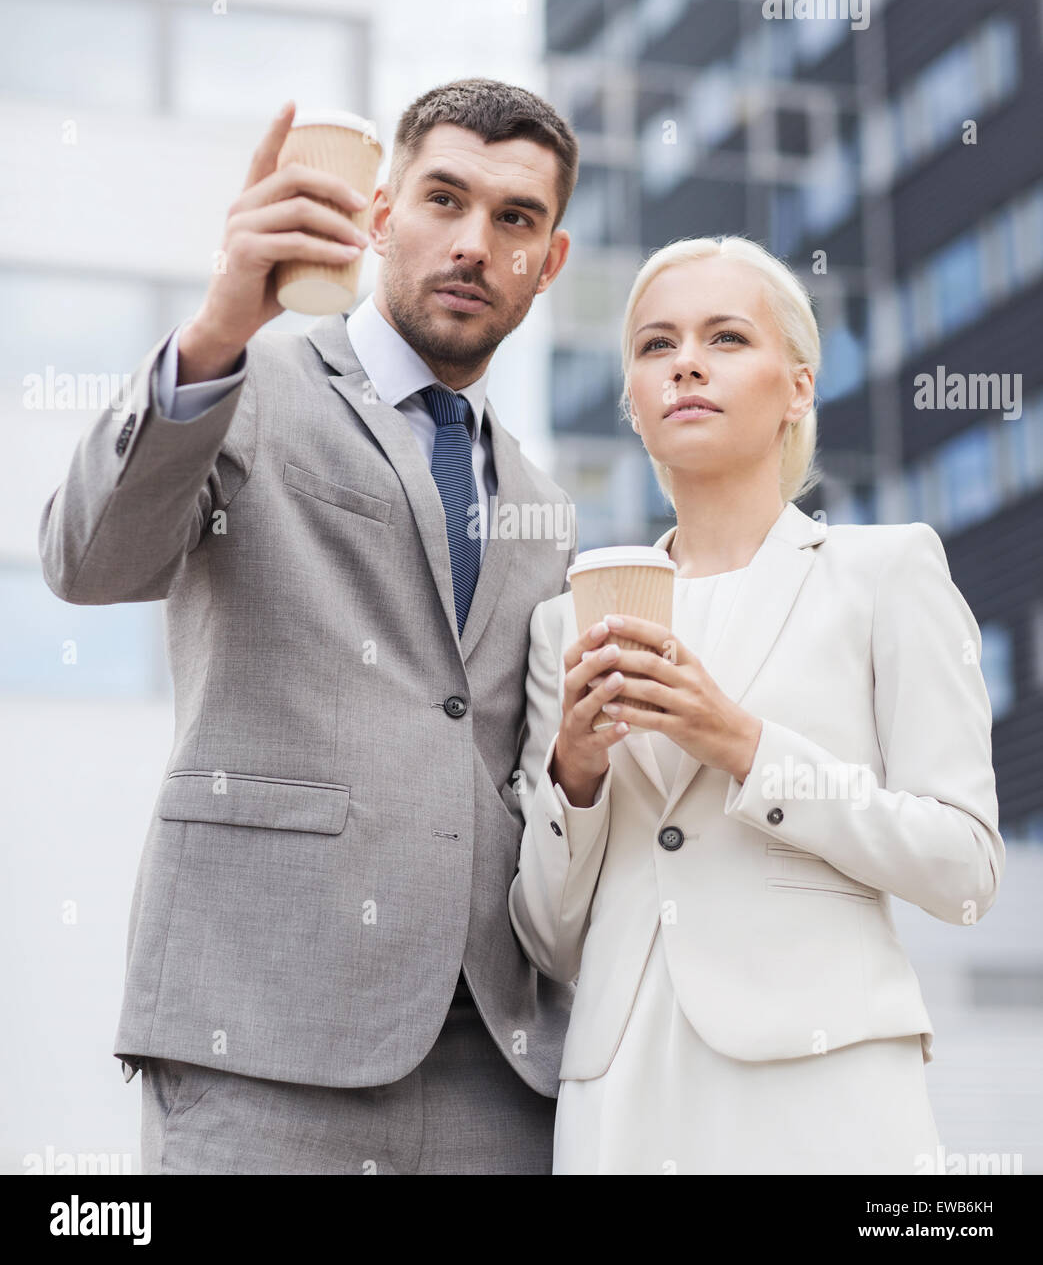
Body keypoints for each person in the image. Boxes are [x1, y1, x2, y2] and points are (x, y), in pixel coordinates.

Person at [38, 78, 580, 1174]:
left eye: (513, 217)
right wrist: (220, 322)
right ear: (380, 215)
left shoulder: (542, 502)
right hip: (263, 1029)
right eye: (442, 198)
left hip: (496, 1066)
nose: (474, 242)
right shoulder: (243, 383)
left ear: (547, 260)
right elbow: (89, 561)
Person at [508, 235, 1005, 1175]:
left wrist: (743, 744)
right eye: (656, 346)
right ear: (634, 405)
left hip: (822, 1089)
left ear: (799, 387)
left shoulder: (884, 574)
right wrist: (572, 775)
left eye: (726, 337)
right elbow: (547, 937)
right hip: (621, 1097)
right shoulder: (562, 623)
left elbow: (965, 869)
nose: (686, 361)